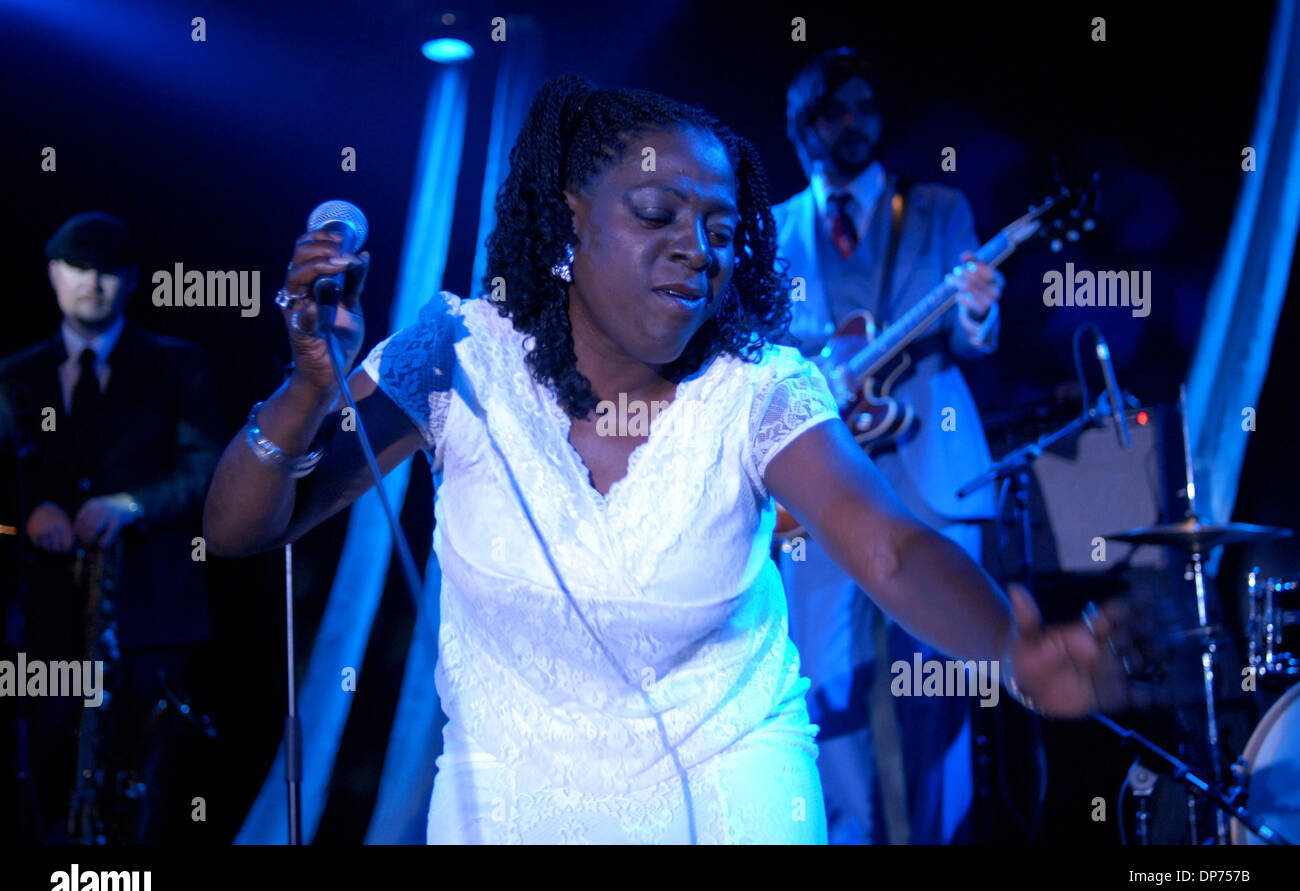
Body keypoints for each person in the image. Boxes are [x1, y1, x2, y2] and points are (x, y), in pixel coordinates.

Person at [202, 75, 1142, 845]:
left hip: (733, 787)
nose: (697, 251)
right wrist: (306, 391)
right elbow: (244, 528)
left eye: (723, 230)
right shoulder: (456, 355)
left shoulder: (758, 385)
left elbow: (887, 545)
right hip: (508, 802)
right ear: (570, 223)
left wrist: (1012, 653)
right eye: (658, 215)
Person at [773, 48, 1005, 844]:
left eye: (868, 107)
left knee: (944, 675)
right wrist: (815, 371)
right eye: (838, 109)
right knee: (822, 684)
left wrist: (976, 310)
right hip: (817, 482)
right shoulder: (772, 231)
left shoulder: (938, 210)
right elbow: (757, 358)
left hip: (934, 473)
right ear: (806, 125)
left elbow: (976, 337)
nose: (856, 124)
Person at [0, 211, 222, 842]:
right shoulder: (16, 374)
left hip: (149, 612)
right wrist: (24, 516)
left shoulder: (180, 364)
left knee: (143, 786)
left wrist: (130, 504)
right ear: (52, 273)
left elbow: (208, 467)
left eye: (107, 272)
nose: (91, 284)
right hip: (45, 616)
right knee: (45, 776)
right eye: (78, 268)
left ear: (130, 281)